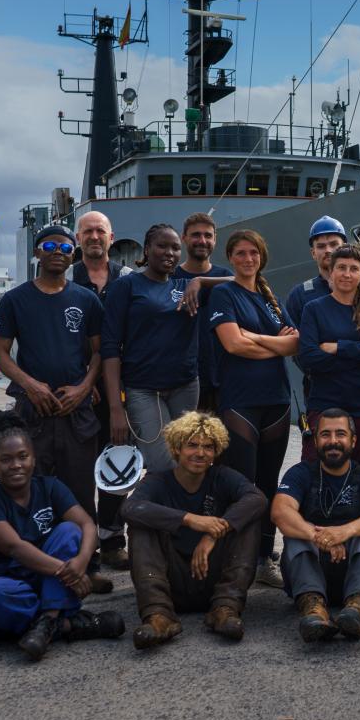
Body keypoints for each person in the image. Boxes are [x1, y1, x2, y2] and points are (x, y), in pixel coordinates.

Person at [0, 224, 110, 591]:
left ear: (72, 254)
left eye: (64, 246)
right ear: (37, 253)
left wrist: (85, 387)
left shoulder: (87, 300)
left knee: (79, 486)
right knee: (33, 486)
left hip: (76, 412)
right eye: (49, 245)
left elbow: (99, 351)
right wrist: (29, 384)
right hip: (34, 411)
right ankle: (41, 561)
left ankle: (87, 563)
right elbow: (0, 353)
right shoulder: (15, 299)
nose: (58, 250)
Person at [0, 412, 124, 660]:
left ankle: (47, 621)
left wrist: (82, 561)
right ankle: (68, 624)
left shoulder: (49, 486)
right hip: (11, 585)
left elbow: (87, 525)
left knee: (70, 530)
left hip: (49, 582)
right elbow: (15, 547)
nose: (16, 465)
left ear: (33, 458)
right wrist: (69, 573)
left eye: (22, 456)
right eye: (5, 459)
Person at [122, 412, 266, 648]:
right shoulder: (158, 481)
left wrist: (213, 533)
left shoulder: (221, 476)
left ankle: (226, 609)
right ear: (177, 448)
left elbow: (256, 499)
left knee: (247, 520)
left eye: (208, 447)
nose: (200, 453)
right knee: (141, 525)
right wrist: (190, 519)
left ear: (216, 451)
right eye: (192, 445)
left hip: (213, 580)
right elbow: (130, 508)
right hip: (171, 581)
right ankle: (159, 615)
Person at [207, 229, 299, 588]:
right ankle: (236, 557)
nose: (248, 259)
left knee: (268, 483)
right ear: (230, 257)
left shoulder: (267, 295)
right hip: (241, 400)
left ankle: (263, 557)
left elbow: (295, 345)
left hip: (276, 399)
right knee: (242, 485)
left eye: (254, 253)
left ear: (261, 257)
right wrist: (275, 344)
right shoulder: (224, 293)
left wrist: (258, 338)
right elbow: (232, 344)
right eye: (241, 253)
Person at [272, 409, 360, 642]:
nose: (333, 441)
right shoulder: (300, 473)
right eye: (325, 435)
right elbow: (280, 511)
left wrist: (344, 532)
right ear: (316, 440)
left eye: (341, 434)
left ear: (353, 440)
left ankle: (357, 608)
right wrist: (317, 536)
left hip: (355, 570)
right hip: (310, 568)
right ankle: (313, 609)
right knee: (296, 532)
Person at [102, 224, 203, 480]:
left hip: (185, 386)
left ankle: (174, 518)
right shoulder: (127, 286)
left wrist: (200, 280)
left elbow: (238, 281)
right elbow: (111, 348)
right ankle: (156, 516)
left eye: (175, 248)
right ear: (147, 250)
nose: (169, 252)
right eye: (162, 246)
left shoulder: (186, 284)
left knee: (186, 460)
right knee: (162, 464)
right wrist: (116, 408)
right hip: (144, 390)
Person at [70, 211, 135, 571]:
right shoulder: (64, 278)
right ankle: (85, 542)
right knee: (79, 470)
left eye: (100, 231)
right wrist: (82, 383)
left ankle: (112, 538)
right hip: (77, 390)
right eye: (87, 231)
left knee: (117, 464)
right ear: (78, 238)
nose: (94, 237)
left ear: (111, 237)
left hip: (119, 387)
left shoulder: (128, 280)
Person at [297, 245, 360, 465]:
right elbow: (309, 358)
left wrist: (338, 347)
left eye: (354, 268)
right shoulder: (314, 309)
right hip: (326, 403)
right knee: (316, 469)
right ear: (330, 272)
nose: (347, 274)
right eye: (341, 267)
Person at [177, 212, 235, 412]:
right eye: (196, 235)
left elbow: (243, 282)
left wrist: (200, 281)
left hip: (220, 377)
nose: (202, 240)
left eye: (208, 236)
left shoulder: (224, 276)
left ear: (215, 240)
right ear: (183, 238)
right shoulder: (172, 277)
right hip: (182, 379)